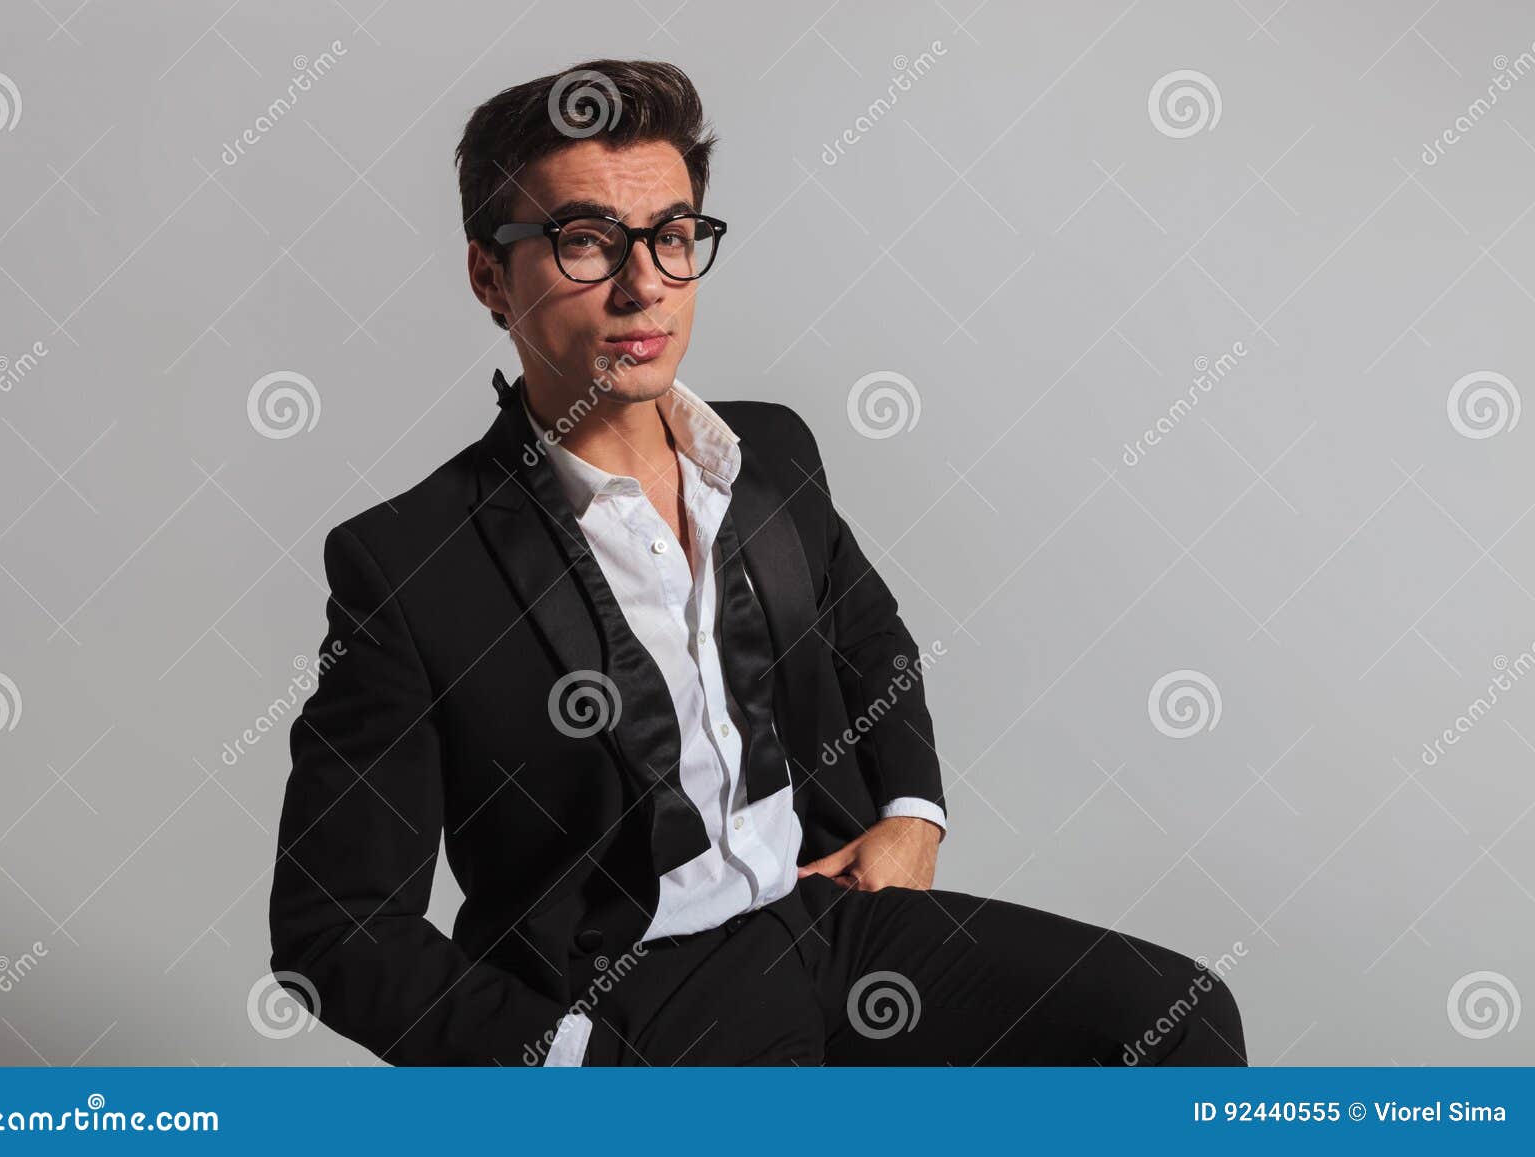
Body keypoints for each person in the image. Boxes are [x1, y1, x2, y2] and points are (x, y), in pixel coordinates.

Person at [266, 58, 1247, 1067]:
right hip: (637, 998)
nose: (645, 284)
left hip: (826, 918)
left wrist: (912, 811)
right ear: (489, 275)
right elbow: (333, 928)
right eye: (587, 240)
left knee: (1180, 1019)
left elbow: (867, 633)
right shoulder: (413, 563)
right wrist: (572, 1063)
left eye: (672, 236)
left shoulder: (770, 454)